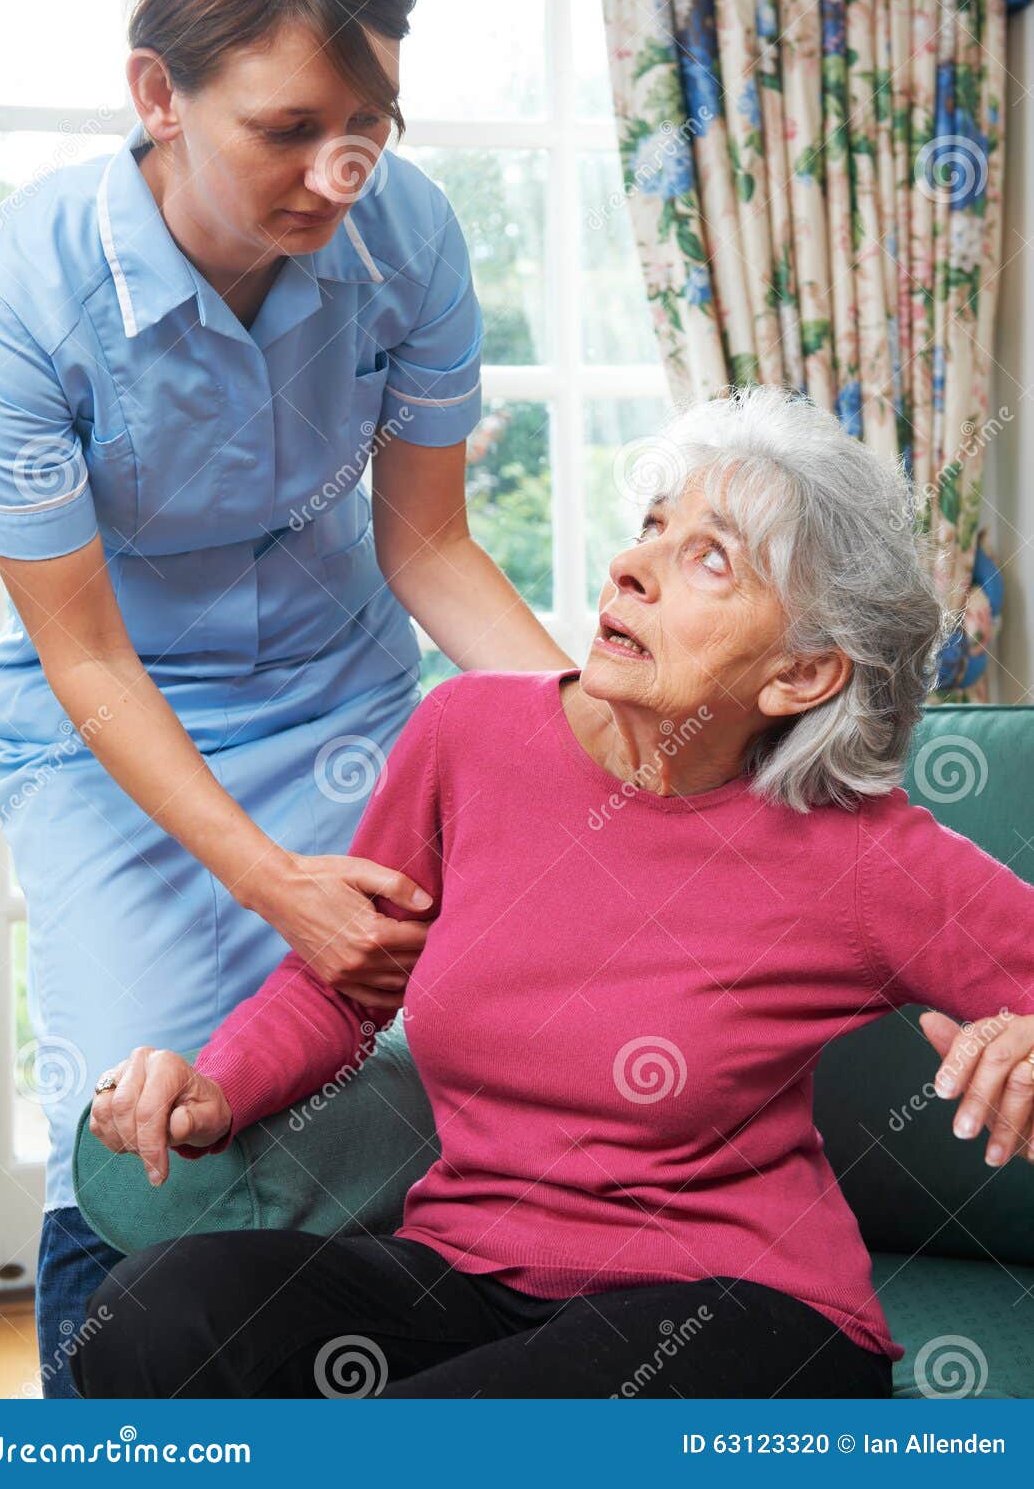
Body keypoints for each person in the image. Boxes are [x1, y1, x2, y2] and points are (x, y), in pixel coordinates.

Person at [75, 387, 1034, 1399]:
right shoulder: (466, 736)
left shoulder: (862, 856)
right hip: (466, 1273)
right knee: (147, 1323)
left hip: (738, 1315)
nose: (630, 566)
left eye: (708, 558)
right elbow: (344, 980)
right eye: (650, 528)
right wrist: (215, 1087)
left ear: (798, 676)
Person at [0, 0, 571, 1397]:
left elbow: (429, 548)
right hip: (114, 724)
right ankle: (106, 1424)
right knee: (141, 1117)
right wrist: (267, 881)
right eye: (289, 130)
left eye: (371, 128)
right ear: (156, 93)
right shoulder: (22, 297)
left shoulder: (408, 239)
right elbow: (86, 648)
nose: (340, 173)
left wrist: (613, 725)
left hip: (339, 692)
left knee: (362, 1076)